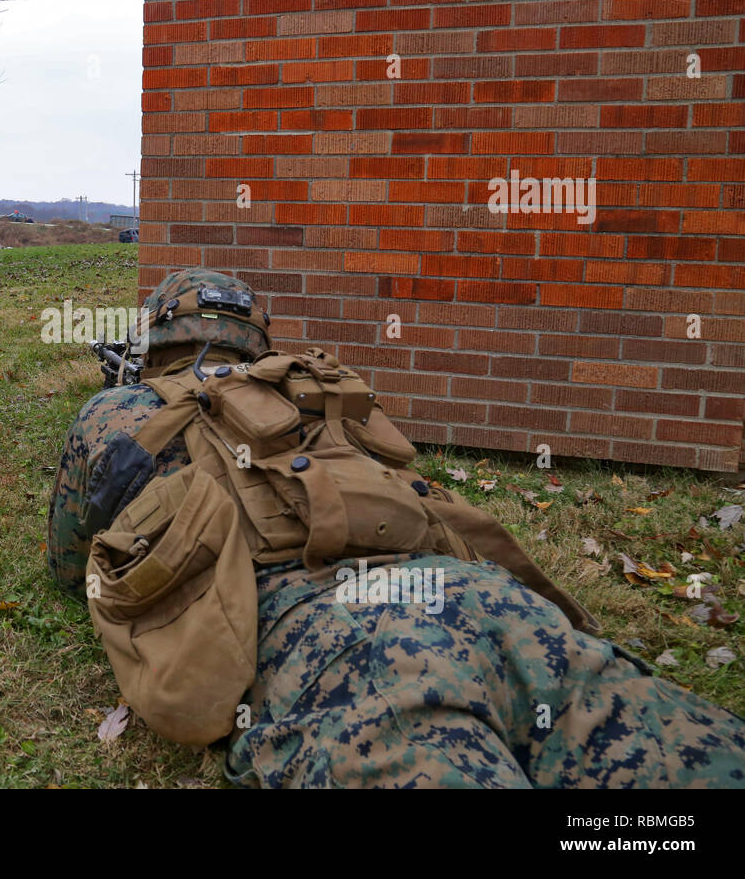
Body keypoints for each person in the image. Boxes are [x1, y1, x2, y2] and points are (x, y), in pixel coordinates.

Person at [47, 266, 745, 788]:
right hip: (486, 598)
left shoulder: (116, 414)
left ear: (154, 337)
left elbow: (70, 568)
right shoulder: (316, 393)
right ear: (257, 340)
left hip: (341, 644)